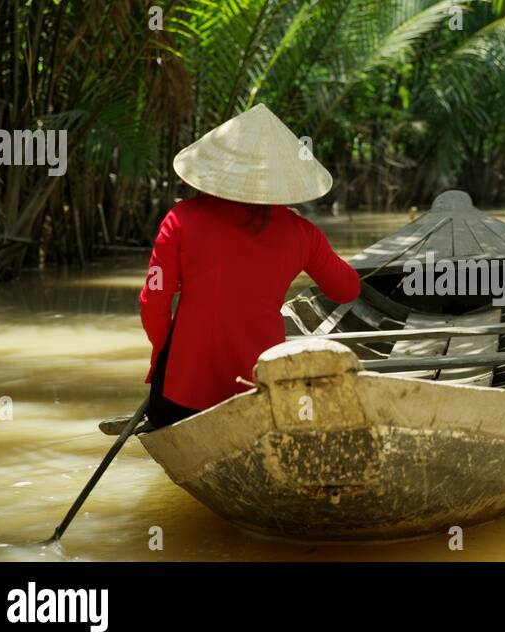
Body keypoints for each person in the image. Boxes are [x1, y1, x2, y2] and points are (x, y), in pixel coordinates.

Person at [139, 104, 360, 429]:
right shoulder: (301, 233)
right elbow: (347, 289)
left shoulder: (180, 220)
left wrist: (163, 356)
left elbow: (153, 303)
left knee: (165, 389)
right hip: (262, 388)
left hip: (183, 394)